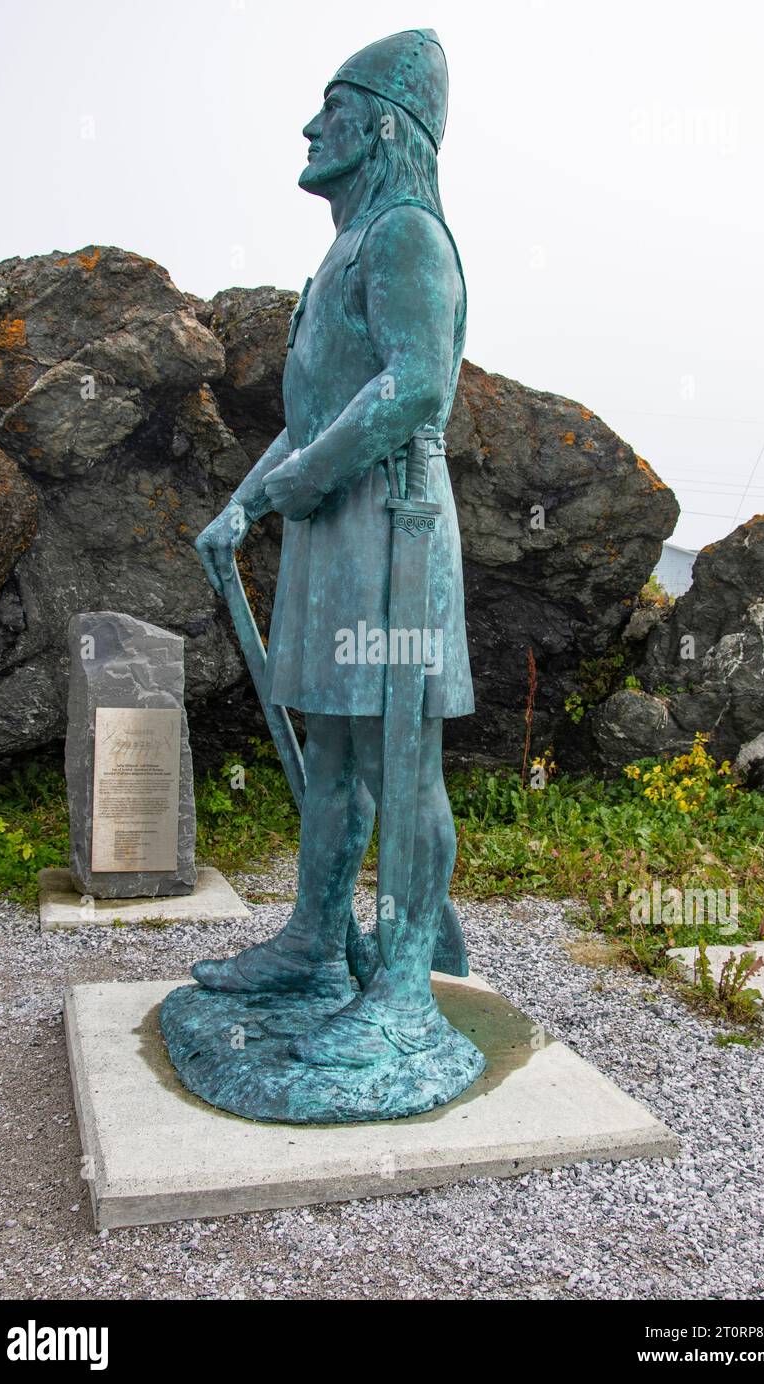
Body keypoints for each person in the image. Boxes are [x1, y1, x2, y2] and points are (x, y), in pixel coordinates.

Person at [193, 29, 474, 1069]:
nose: (312, 129)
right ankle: (316, 947)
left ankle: (401, 986)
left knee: (401, 757)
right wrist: (247, 505)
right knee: (341, 753)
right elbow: (312, 412)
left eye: (334, 110)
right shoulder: (341, 252)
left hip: (395, 528)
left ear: (384, 127)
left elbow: (414, 388)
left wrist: (300, 483)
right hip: (335, 528)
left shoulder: (408, 235)